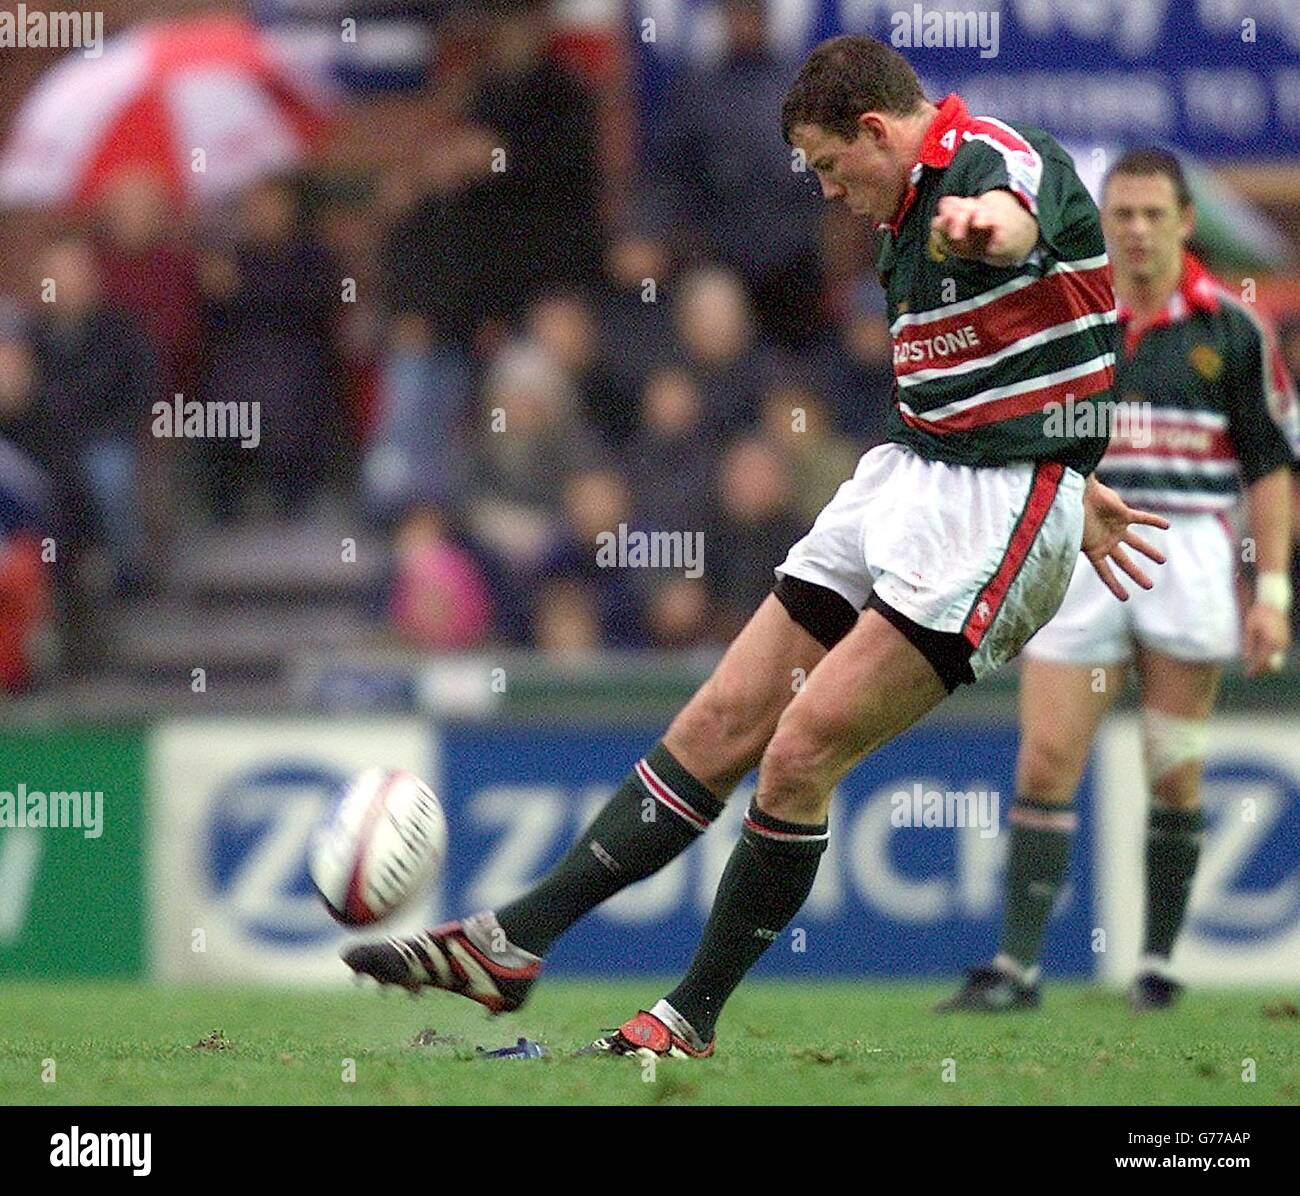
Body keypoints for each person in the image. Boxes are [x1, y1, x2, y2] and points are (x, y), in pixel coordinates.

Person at [342, 35, 1166, 1059]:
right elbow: (1027, 358)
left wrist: (982, 234)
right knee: (723, 713)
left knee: (797, 750)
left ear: (875, 129)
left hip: (996, 513)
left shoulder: (992, 162)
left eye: (830, 166)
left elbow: (1016, 223)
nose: (828, 191)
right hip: (911, 476)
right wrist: (1069, 456)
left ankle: (687, 1015)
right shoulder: (903, 212)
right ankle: (513, 941)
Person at [940, 149, 1298, 1014]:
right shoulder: (1075, 319)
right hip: (1081, 560)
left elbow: (1271, 469)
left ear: (1185, 222)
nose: (1135, 231)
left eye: (1152, 215)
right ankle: (1017, 969)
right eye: (1121, 215)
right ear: (1103, 224)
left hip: (1191, 558)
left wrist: (1275, 593)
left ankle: (1160, 966)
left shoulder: (1232, 329)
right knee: (1047, 758)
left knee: (1174, 768)